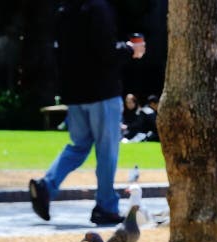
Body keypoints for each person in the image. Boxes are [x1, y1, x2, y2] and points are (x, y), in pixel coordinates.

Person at [29, 0, 145, 225]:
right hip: (102, 93)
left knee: (79, 146)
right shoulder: (98, 8)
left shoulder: (66, 9)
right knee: (107, 151)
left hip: (75, 94)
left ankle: (46, 185)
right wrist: (131, 49)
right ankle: (105, 206)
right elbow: (105, 53)